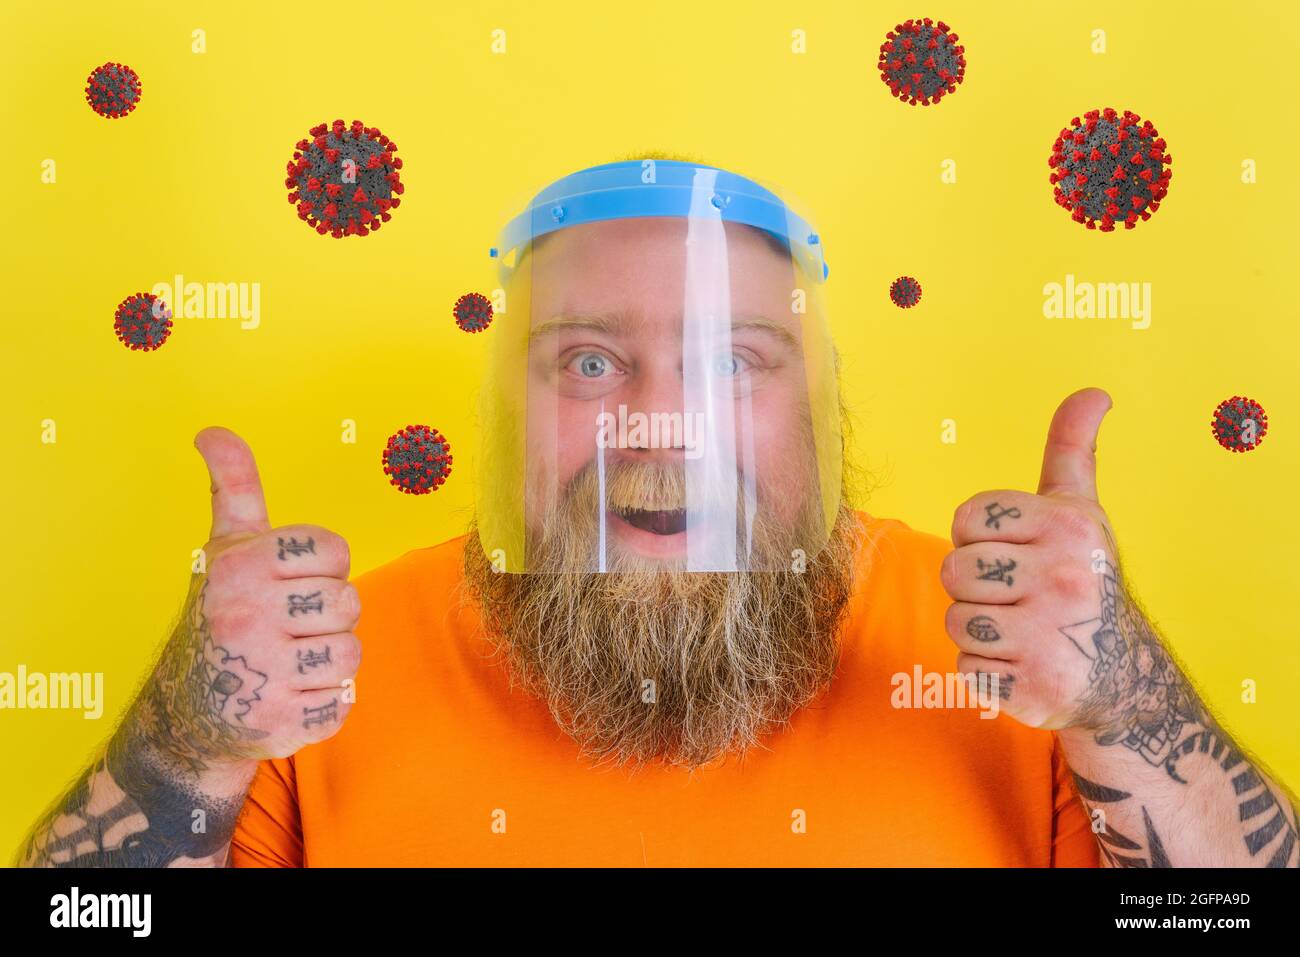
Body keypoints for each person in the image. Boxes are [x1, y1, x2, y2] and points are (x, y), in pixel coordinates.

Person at [19, 158, 1297, 867]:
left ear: (818, 411)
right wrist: (187, 737)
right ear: (508, 410)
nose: (657, 420)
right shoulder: (314, 665)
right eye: (587, 361)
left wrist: (1127, 701)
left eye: (734, 360)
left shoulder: (1010, 654)